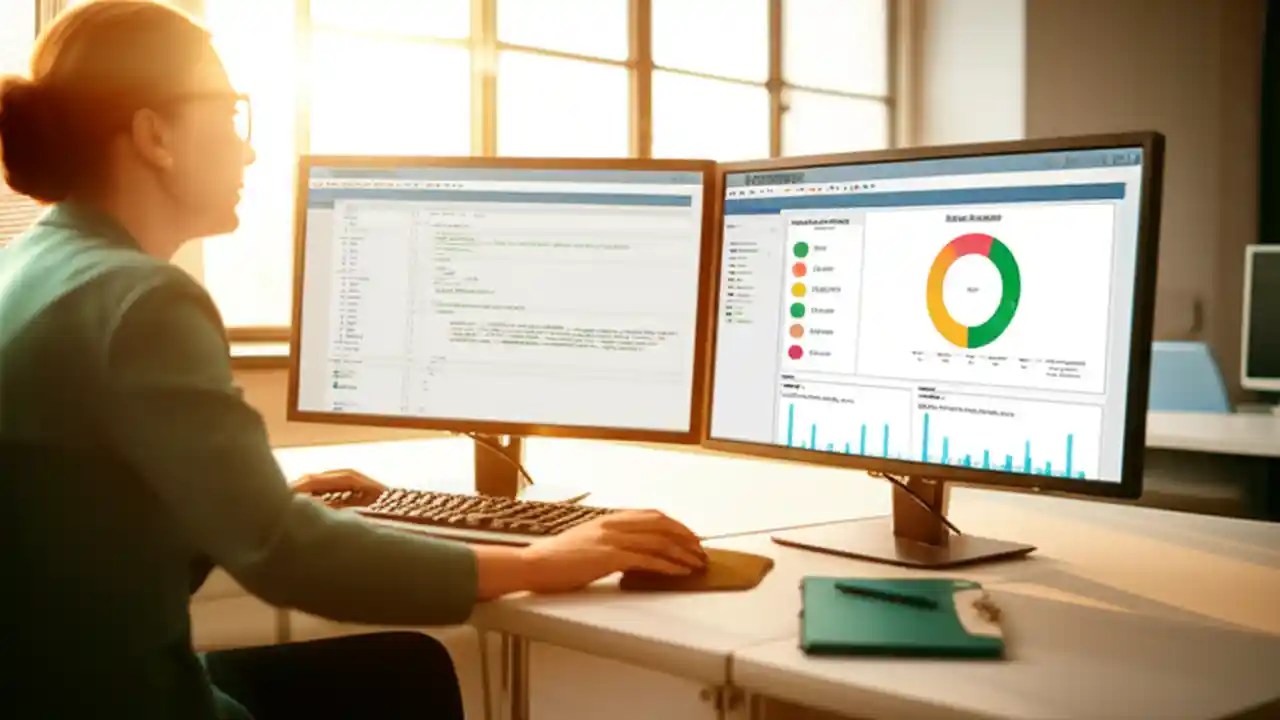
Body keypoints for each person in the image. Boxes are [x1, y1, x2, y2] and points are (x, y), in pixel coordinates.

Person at [0, 2, 707, 718]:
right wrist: (540, 562)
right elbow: (285, 558)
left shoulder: (35, 265)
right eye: (230, 112)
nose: (248, 151)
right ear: (155, 134)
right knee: (407, 681)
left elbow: (82, 551)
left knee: (402, 667)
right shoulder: (141, 300)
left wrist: (256, 507)